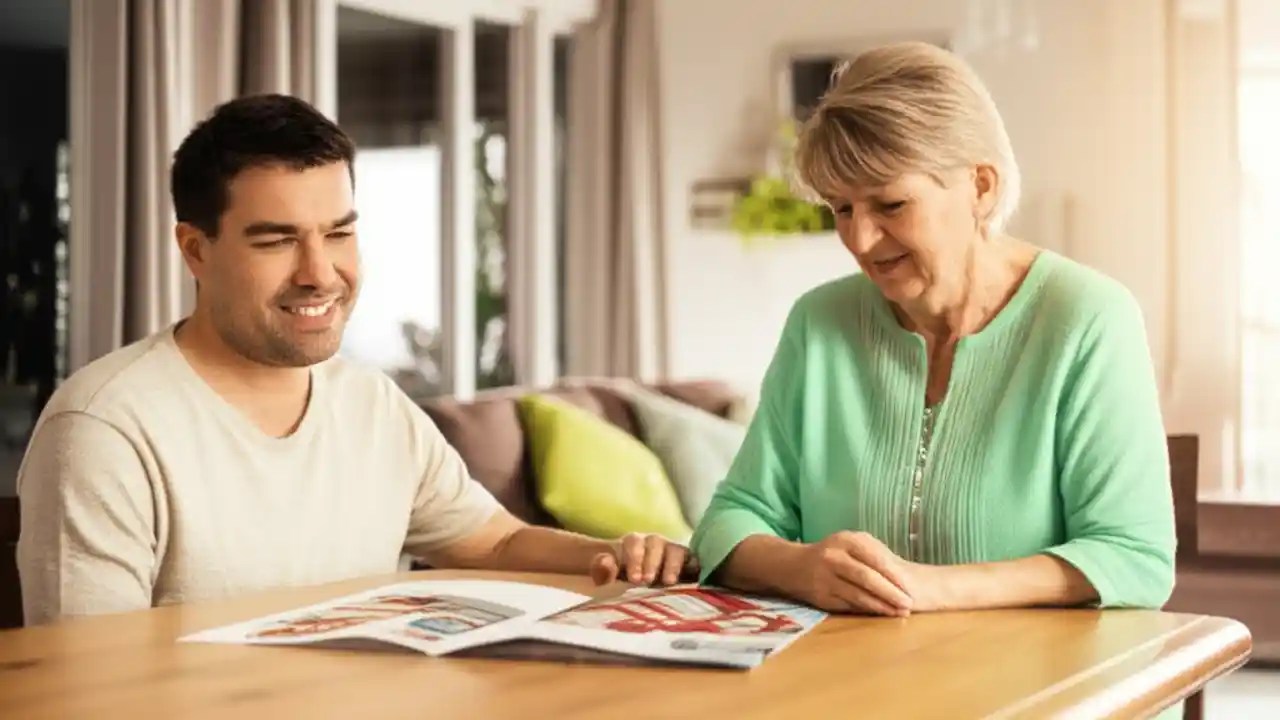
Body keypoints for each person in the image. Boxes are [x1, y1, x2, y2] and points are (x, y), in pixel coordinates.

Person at [16, 94, 691, 626]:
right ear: (196, 250)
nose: (319, 273)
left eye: (338, 233)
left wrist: (620, 554)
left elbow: (496, 543)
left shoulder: (373, 405)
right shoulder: (105, 431)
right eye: (276, 241)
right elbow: (86, 680)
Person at [691, 42, 1175, 615]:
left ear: (981, 187)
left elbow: (1133, 556)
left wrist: (929, 589)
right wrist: (803, 568)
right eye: (841, 209)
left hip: (1035, 671)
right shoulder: (819, 324)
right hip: (853, 669)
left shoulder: (1088, 318)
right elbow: (730, 520)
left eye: (891, 205)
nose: (860, 240)